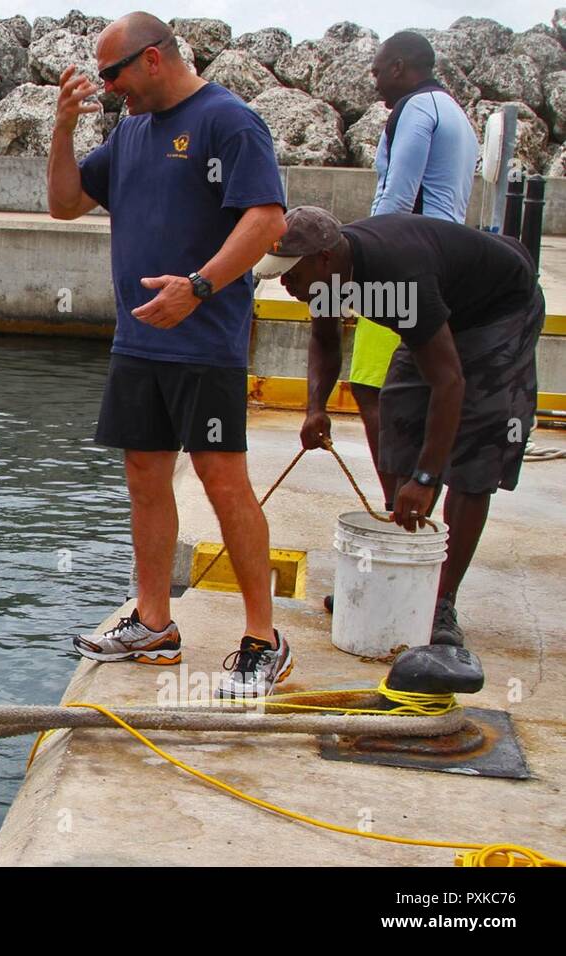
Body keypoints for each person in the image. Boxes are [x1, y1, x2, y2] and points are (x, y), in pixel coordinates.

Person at [50, 12, 290, 698]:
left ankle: (262, 638)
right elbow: (66, 204)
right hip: (138, 341)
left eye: (114, 74)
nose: (109, 89)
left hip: (205, 342)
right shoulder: (129, 133)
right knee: (144, 474)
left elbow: (267, 218)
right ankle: (154, 620)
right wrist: (63, 128)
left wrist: (200, 286)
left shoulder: (228, 121)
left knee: (223, 481)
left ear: (153, 59)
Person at [257, 206, 544, 646]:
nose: (284, 283)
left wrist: (427, 478)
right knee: (398, 411)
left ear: (325, 259)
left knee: (474, 453)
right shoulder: (328, 277)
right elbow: (324, 339)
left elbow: (449, 382)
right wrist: (315, 407)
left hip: (498, 312)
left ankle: (441, 600)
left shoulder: (399, 279)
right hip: (441, 312)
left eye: (291, 273)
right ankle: (399, 571)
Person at [348, 31, 479, 511]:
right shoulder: (457, 114)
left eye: (379, 71)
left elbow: (397, 198)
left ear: (401, 67)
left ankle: (398, 506)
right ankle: (413, 494)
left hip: (403, 267)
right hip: (445, 260)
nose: (375, 81)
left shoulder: (416, 110)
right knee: (421, 387)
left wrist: (358, 254)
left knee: (372, 386)